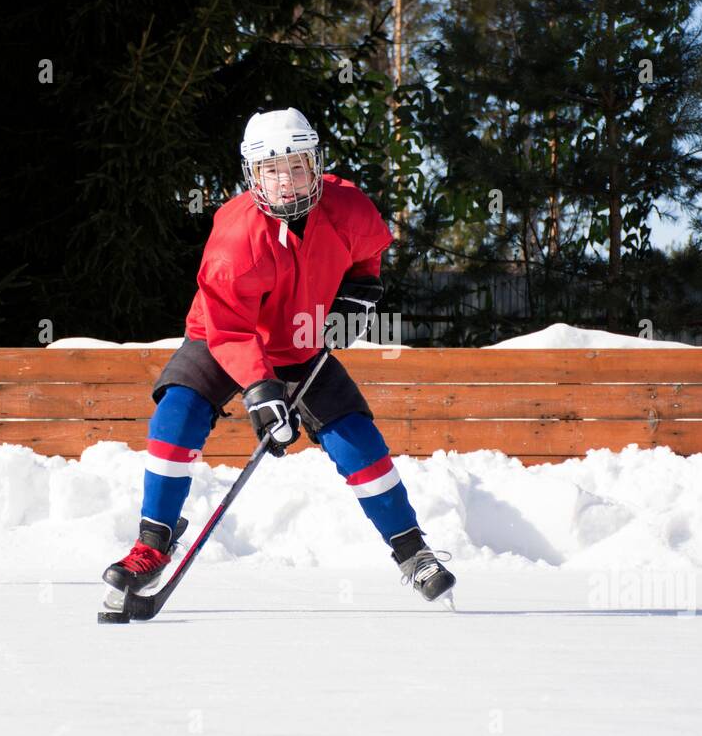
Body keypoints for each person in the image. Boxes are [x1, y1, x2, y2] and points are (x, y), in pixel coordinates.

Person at [102, 108, 455, 605]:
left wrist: (359, 291)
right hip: (223, 335)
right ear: (253, 176)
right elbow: (229, 326)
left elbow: (366, 256)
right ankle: (152, 545)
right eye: (272, 170)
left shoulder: (348, 207)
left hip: (303, 340)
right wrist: (261, 391)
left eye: (296, 167)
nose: (286, 182)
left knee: (358, 441)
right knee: (176, 414)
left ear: (315, 166)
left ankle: (414, 553)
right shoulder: (235, 238)